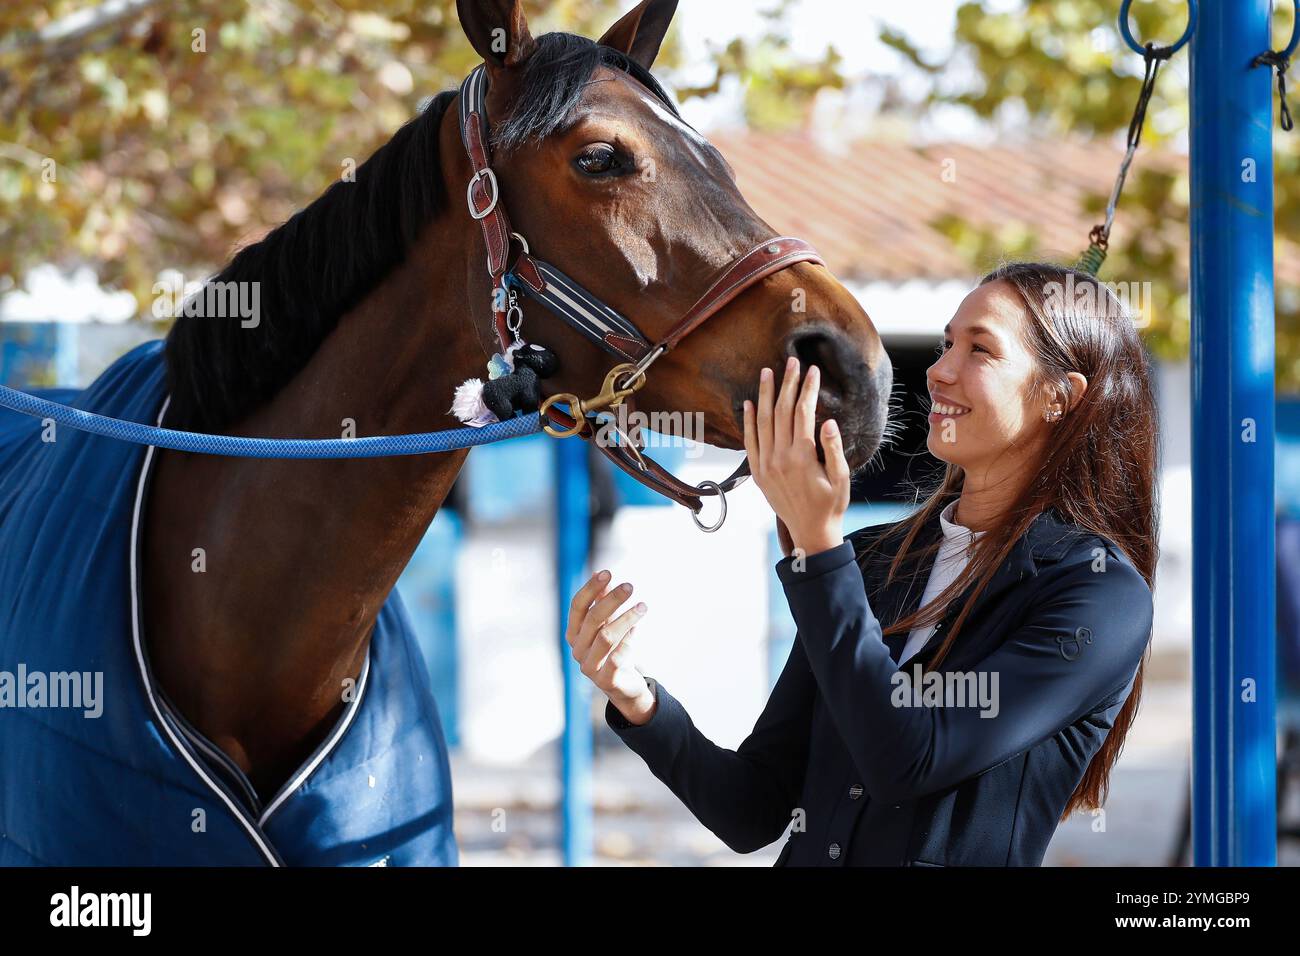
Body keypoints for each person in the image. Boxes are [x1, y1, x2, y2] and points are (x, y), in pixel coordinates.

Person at [565, 261, 1158, 866]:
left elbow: (909, 759)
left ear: (1061, 395)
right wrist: (639, 701)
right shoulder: (877, 560)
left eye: (980, 350)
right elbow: (752, 809)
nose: (939, 371)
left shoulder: (1098, 595)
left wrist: (819, 550)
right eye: (947, 343)